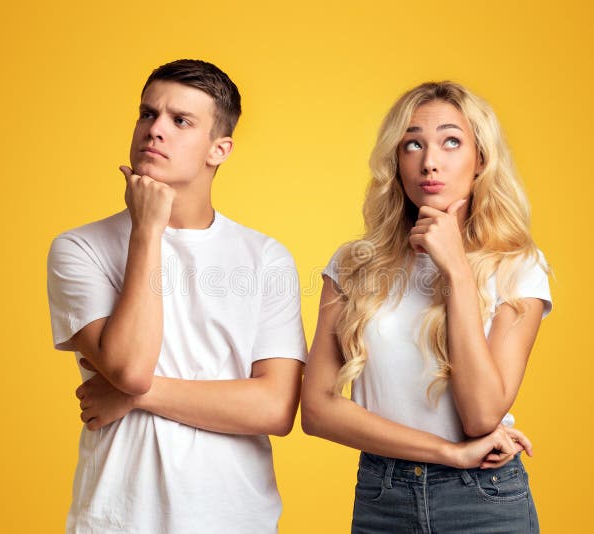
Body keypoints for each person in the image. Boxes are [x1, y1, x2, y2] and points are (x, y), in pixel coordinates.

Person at [46, 59, 307, 533]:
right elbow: (129, 367)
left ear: (219, 149)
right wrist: (148, 231)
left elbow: (275, 408)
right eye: (147, 114)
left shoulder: (265, 257)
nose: (154, 130)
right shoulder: (79, 247)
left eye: (179, 120)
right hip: (119, 519)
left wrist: (136, 398)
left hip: (236, 519)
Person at [301, 81, 551, 533]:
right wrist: (447, 453)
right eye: (412, 144)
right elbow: (317, 411)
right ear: (396, 163)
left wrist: (456, 270)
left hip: (483, 500)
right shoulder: (353, 265)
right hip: (383, 497)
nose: (429, 161)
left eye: (451, 141)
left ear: (481, 159)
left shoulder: (518, 267)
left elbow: (481, 415)